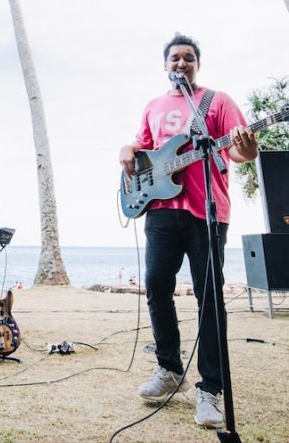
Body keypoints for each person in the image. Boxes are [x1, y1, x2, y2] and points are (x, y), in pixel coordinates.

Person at [118, 33, 257, 429]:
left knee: (209, 298)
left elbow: (240, 152)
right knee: (158, 289)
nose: (181, 63)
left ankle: (210, 388)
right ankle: (169, 369)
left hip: (206, 212)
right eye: (175, 58)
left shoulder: (217, 102)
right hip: (160, 211)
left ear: (198, 64)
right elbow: (143, 150)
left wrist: (248, 146)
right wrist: (126, 148)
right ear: (165, 65)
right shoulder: (154, 106)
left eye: (189, 58)